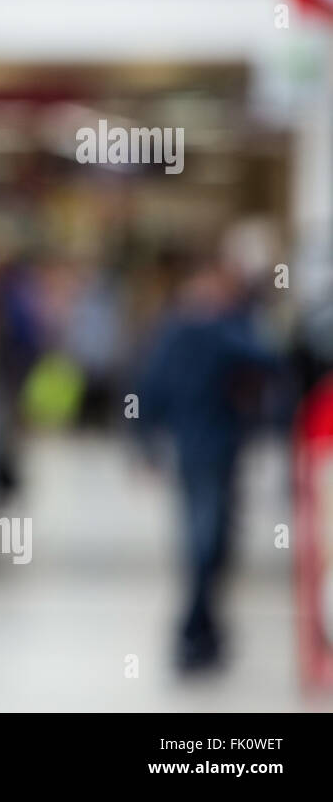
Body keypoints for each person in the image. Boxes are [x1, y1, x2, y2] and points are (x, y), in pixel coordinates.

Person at [137, 251, 284, 674]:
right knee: (206, 538)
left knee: (214, 538)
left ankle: (204, 629)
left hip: (218, 447)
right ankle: (194, 630)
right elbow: (151, 386)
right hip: (201, 449)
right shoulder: (205, 329)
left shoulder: (193, 328)